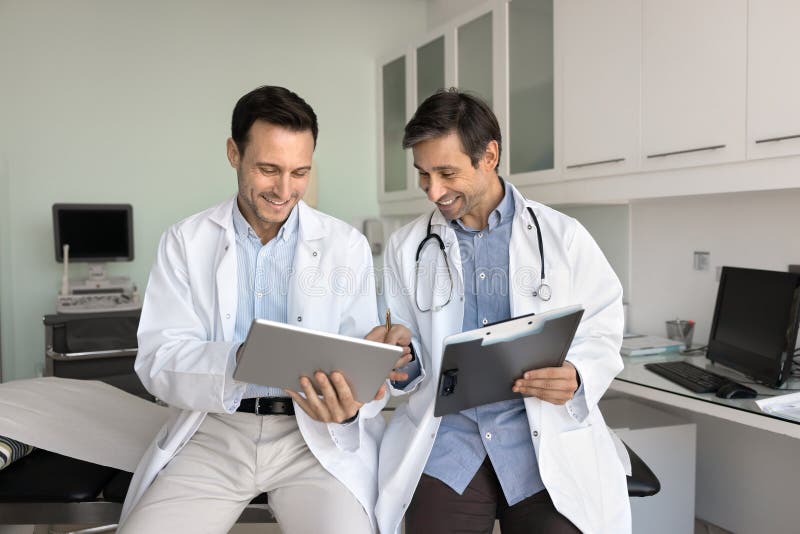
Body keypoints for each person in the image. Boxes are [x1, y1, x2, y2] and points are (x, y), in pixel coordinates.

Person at [118, 85, 410, 534]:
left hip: (311, 439)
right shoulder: (186, 241)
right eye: (268, 169)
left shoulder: (343, 245)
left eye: (300, 172)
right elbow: (158, 360)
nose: (285, 189)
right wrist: (242, 358)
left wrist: (356, 398)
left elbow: (359, 370)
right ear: (234, 153)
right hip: (215, 431)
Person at [375, 89, 632, 534]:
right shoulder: (407, 248)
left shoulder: (562, 237)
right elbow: (407, 348)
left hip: (540, 436)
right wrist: (402, 357)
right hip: (450, 442)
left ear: (489, 155)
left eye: (446, 172)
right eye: (423, 174)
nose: (433, 190)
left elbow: (604, 327)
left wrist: (575, 374)